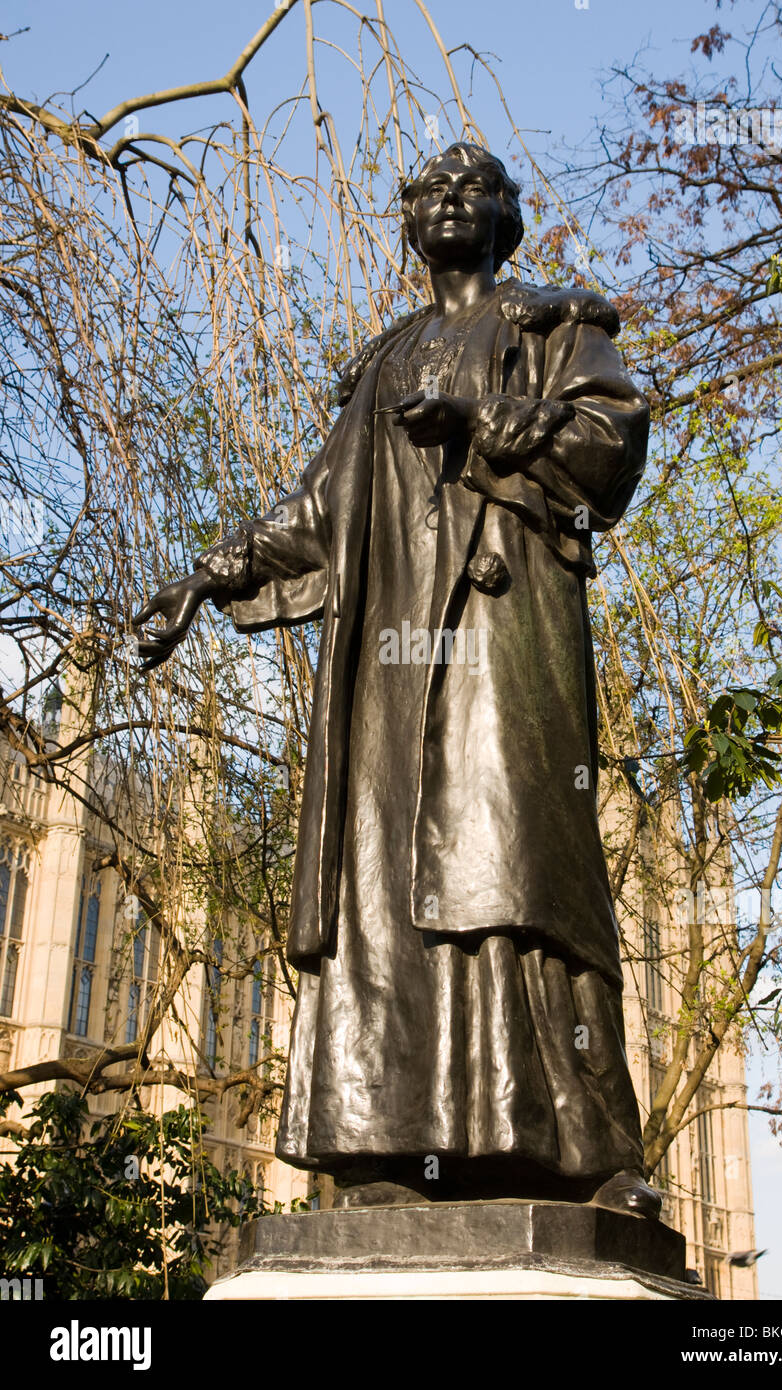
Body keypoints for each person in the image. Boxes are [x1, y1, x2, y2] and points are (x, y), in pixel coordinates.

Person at [134, 142, 659, 1216]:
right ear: (409, 223)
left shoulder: (553, 329)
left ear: (506, 218)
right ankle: (385, 1147)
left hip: (498, 649)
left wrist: (482, 427)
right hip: (385, 667)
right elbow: (320, 511)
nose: (448, 203)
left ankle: (586, 1157)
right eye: (427, 191)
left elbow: (608, 449)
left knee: (513, 874)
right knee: (383, 886)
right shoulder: (381, 363)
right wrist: (202, 575)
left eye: (472, 189)